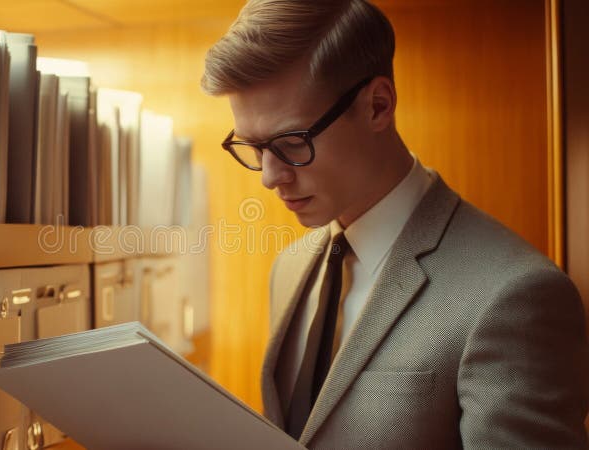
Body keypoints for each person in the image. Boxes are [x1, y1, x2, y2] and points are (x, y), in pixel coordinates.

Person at [201, 0, 589, 447]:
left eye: (292, 142)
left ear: (378, 105)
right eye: (253, 147)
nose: (270, 177)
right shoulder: (288, 269)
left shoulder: (516, 295)